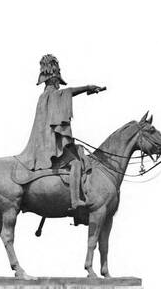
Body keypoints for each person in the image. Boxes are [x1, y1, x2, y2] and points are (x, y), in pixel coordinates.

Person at [15, 54, 105, 212]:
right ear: (53, 80)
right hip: (49, 149)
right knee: (76, 163)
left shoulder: (45, 97)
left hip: (49, 144)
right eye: (57, 81)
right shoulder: (52, 95)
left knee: (80, 153)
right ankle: (76, 200)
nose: (59, 84)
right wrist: (87, 87)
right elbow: (69, 92)